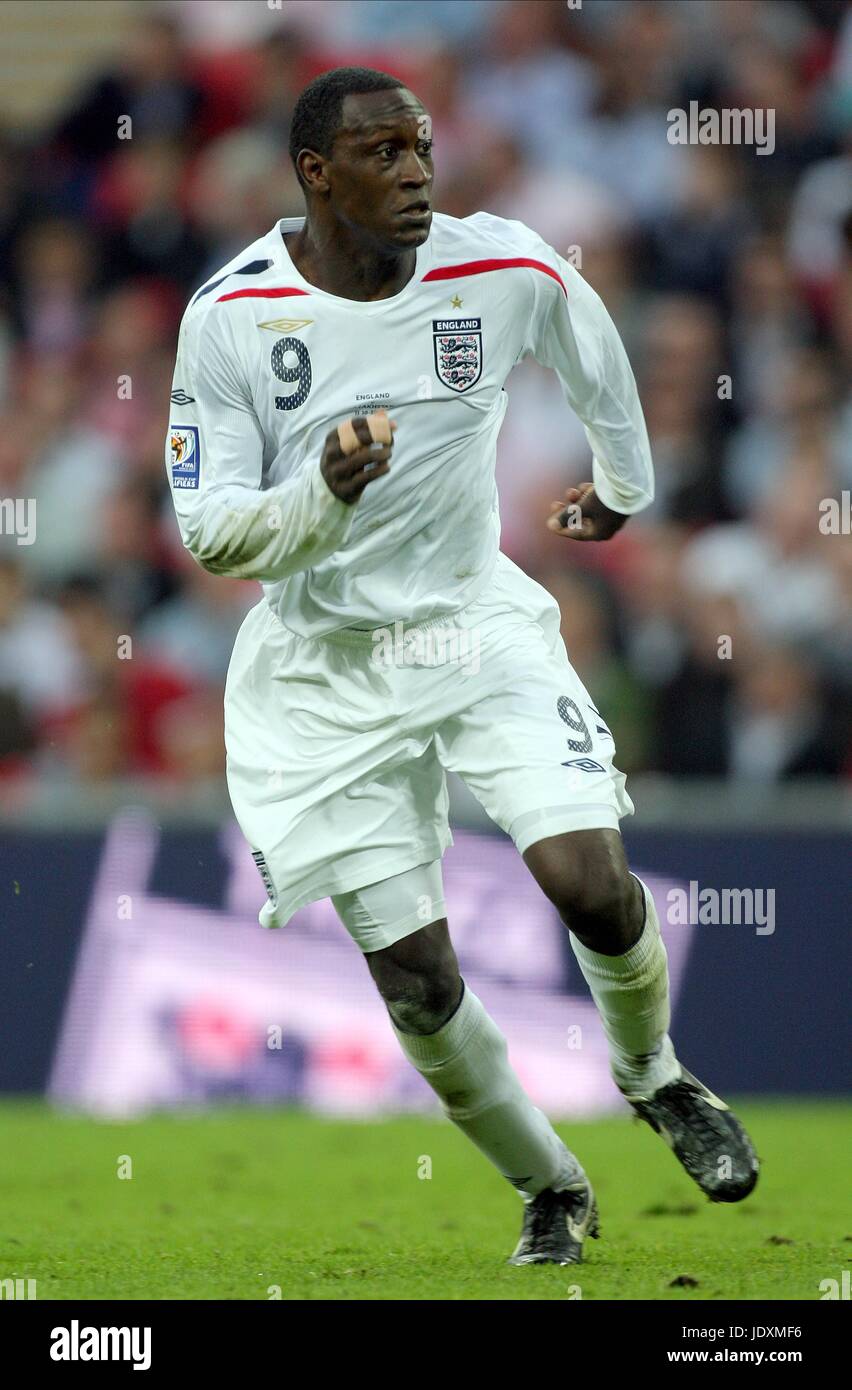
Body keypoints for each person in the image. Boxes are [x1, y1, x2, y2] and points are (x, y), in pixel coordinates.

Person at [164, 67, 758, 1266]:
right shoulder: (229, 314)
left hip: (474, 623)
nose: (417, 172)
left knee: (587, 879)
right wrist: (321, 498)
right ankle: (552, 1185)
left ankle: (656, 1077)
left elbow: (594, 354)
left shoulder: (502, 267)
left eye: (422, 147)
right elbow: (212, 530)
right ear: (314, 173)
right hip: (325, 670)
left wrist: (624, 492)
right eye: (382, 153)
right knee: (421, 983)